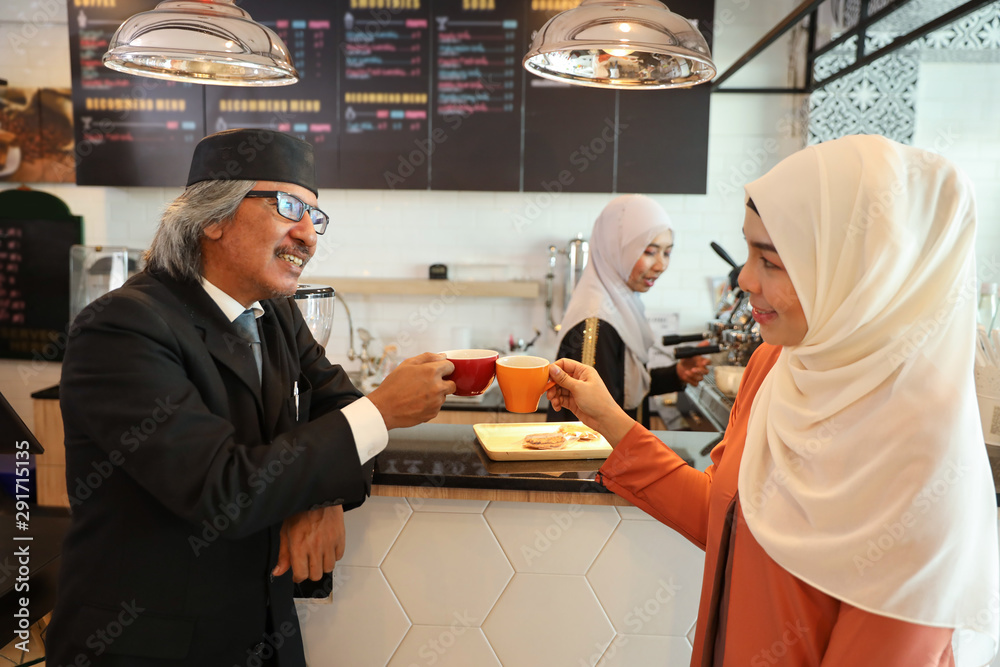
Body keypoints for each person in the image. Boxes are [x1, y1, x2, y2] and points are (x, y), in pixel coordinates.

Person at [546, 135, 999, 666]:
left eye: (771, 261)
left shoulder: (924, 456)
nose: (744, 278)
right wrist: (609, 420)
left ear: (860, 272)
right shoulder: (774, 369)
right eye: (749, 251)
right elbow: (726, 519)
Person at [46, 128, 456, 666]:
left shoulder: (273, 313)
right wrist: (381, 411)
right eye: (289, 207)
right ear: (213, 217)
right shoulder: (123, 328)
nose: (309, 236)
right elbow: (222, 490)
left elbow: (338, 406)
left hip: (264, 628)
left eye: (316, 217)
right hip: (152, 643)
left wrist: (320, 497)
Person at [547, 194, 710, 427]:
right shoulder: (596, 321)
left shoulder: (619, 306)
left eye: (667, 252)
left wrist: (676, 374)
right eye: (649, 251)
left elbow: (622, 388)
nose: (661, 265)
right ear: (616, 249)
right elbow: (591, 424)